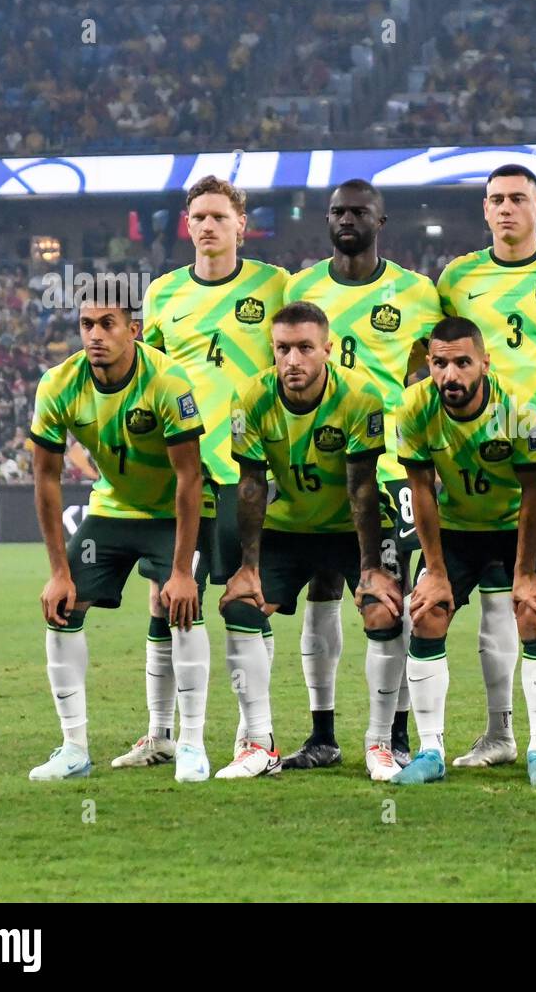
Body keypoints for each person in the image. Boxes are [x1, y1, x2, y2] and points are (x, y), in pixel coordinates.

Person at [116, 175, 286, 771]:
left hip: (244, 474)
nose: (208, 226)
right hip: (177, 475)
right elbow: (147, 380)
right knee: (164, 600)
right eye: (199, 217)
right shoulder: (162, 295)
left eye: (219, 216)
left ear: (242, 223)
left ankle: (255, 737)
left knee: (245, 597)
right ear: (186, 225)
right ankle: (161, 734)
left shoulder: (274, 286)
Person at [437, 163, 536, 771]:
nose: (506, 208)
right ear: (485, 209)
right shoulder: (458, 277)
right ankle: (500, 732)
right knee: (494, 597)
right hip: (482, 452)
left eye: (517, 199)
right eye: (496, 199)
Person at [282, 179, 442, 768]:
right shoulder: (300, 288)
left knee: (388, 596)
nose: (346, 219)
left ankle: (393, 737)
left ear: (381, 219)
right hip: (317, 471)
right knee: (320, 591)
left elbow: (433, 369)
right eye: (337, 212)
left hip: (390, 469)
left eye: (359, 212)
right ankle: (322, 736)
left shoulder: (417, 292)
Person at [29, 287, 212, 782]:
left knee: (177, 604)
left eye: (108, 323)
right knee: (63, 607)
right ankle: (73, 749)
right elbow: (46, 478)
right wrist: (58, 573)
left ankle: (189, 744)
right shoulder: (59, 384)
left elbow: (189, 477)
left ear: (133, 330)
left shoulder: (168, 381)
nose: (95, 335)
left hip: (171, 511)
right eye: (87, 324)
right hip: (114, 508)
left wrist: (180, 571)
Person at [219, 302, 404, 780]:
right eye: (283, 349)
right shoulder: (250, 398)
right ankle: (258, 744)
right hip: (291, 526)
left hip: (351, 526)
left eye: (304, 348)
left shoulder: (360, 397)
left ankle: (381, 744)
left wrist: (369, 569)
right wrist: (248, 566)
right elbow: (252, 485)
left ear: (328, 349)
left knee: (384, 609)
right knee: (241, 605)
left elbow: (362, 487)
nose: (293, 360)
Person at [391, 317, 536, 787]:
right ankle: (430, 751)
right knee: (428, 611)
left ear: (484, 364)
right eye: (440, 364)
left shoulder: (518, 410)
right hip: (457, 525)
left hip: (517, 522)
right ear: (429, 363)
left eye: (462, 362)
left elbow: (533, 493)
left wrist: (525, 573)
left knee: (532, 611)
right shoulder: (414, 408)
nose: (450, 375)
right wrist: (436, 572)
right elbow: (421, 489)